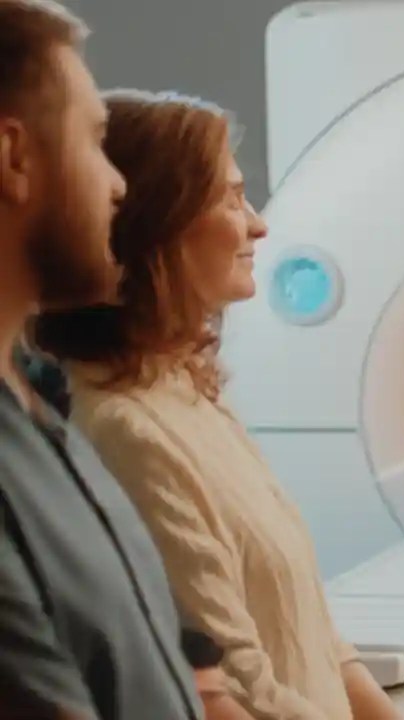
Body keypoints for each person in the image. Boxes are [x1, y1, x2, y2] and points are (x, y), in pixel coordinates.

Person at [31, 89, 403, 720]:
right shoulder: (126, 433)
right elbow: (235, 687)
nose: (258, 223)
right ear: (159, 227)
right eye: (231, 198)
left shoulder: (188, 394)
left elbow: (308, 625)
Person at [0, 1, 251, 719]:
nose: (117, 187)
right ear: (14, 158)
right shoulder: (94, 427)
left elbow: (177, 660)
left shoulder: (41, 408)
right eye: (93, 143)